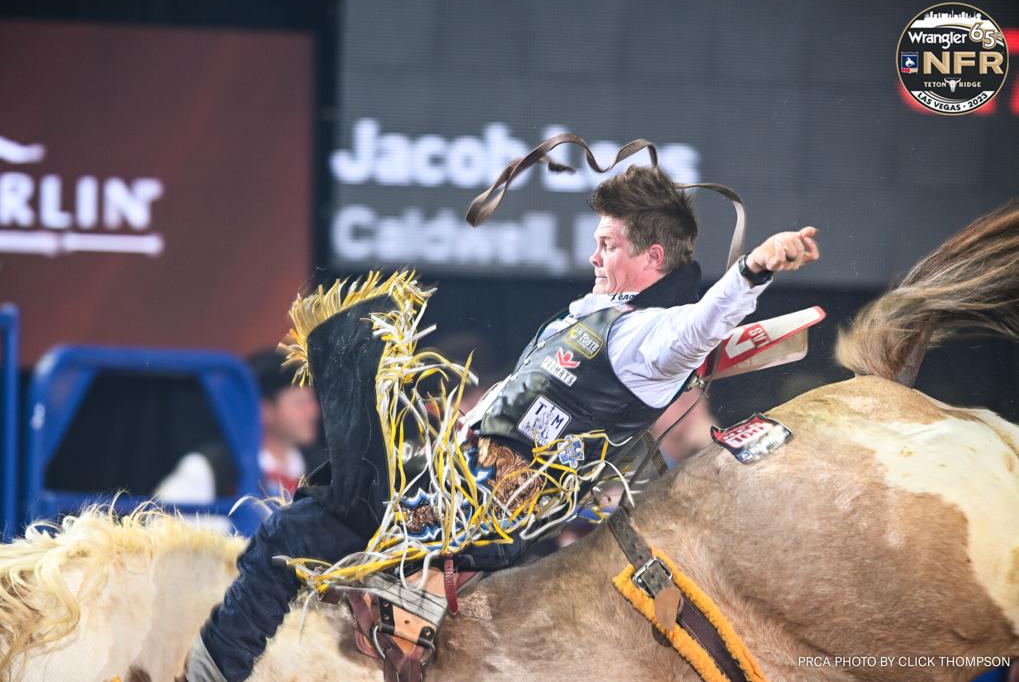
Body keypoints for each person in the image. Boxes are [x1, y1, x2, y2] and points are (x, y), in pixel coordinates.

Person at [185, 165, 820, 682]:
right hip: (462, 489)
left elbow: (702, 325)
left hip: (484, 512)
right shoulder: (598, 318)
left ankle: (205, 676)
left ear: (651, 256)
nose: (594, 255)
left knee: (295, 529)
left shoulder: (650, 337)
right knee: (326, 493)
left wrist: (753, 270)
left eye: (608, 244)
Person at [155, 348, 319, 513]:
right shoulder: (211, 469)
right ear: (264, 410)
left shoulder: (321, 472)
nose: (313, 412)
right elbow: (160, 522)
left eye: (312, 401)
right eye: (300, 403)